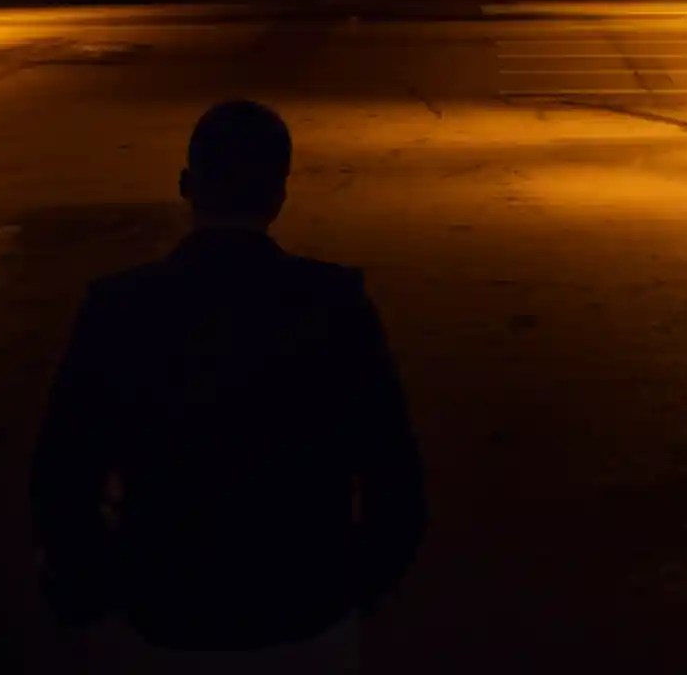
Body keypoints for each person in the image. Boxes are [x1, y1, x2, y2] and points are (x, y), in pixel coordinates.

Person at [29, 100, 426, 672]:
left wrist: (100, 588)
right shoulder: (334, 305)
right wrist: (355, 584)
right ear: (278, 195)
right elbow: (395, 476)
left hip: (165, 617)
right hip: (303, 615)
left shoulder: (121, 307)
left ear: (188, 185)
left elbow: (62, 476)